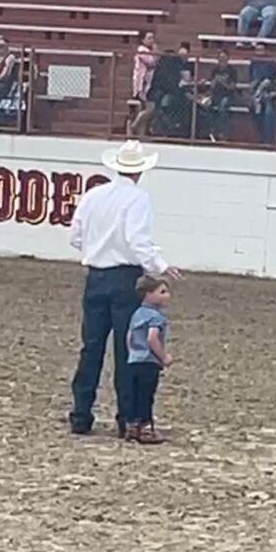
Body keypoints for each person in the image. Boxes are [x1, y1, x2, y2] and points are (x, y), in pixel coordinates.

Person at [68, 140, 181, 439]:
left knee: (91, 347)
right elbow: (136, 239)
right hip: (125, 278)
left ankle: (80, 415)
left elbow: (76, 236)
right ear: (140, 170)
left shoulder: (93, 195)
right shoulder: (137, 198)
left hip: (96, 275)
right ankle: (128, 418)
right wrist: (159, 265)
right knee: (128, 348)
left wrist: (97, 249)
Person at [122, 275, 174, 445]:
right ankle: (145, 429)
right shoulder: (156, 316)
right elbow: (152, 338)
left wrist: (132, 352)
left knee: (134, 394)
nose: (167, 296)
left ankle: (131, 426)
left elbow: (129, 336)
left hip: (134, 360)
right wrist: (163, 357)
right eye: (162, 292)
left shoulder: (137, 314)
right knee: (146, 396)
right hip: (148, 361)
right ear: (148, 294)